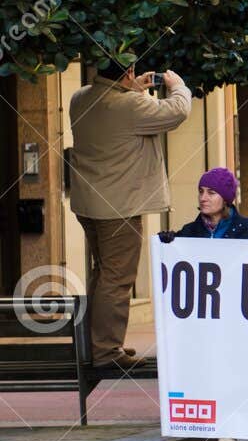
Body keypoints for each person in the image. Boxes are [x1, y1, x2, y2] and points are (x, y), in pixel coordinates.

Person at [68, 62, 192, 368]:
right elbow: (177, 111)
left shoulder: (80, 97)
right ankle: (107, 353)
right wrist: (178, 85)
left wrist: (131, 87)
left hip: (90, 204)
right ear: (128, 70)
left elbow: (116, 111)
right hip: (119, 207)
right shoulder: (129, 105)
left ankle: (98, 346)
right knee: (117, 278)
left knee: (103, 273)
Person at [162, 167, 248, 441]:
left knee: (232, 381)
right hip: (204, 330)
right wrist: (167, 246)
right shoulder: (189, 232)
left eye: (211, 192)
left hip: (243, 327)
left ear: (227, 197)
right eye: (201, 191)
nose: (204, 197)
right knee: (215, 382)